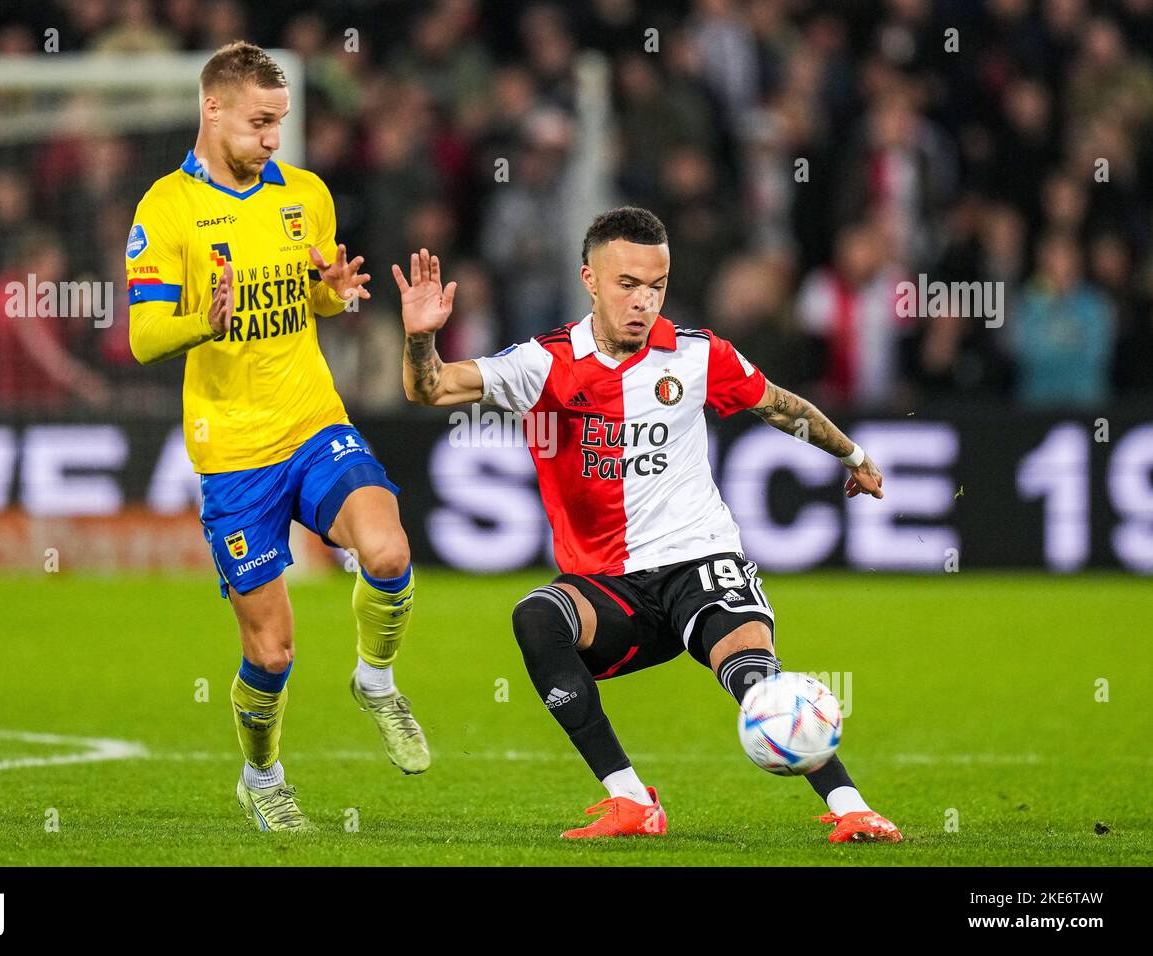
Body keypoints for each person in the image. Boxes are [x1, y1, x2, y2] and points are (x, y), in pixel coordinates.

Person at [398, 207, 901, 842]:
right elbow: (429, 389)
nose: (643, 301)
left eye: (656, 285)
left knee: (754, 681)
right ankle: (631, 800)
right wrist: (420, 339)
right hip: (613, 588)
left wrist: (852, 456)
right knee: (535, 617)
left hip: (700, 559)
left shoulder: (698, 356)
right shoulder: (543, 364)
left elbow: (778, 406)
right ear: (589, 278)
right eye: (627, 284)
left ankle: (851, 806)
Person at [127, 41, 428, 833]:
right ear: (213, 108)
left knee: (389, 553)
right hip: (232, 454)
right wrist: (206, 320)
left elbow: (315, 300)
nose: (273, 140)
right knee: (272, 655)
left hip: (312, 422)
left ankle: (375, 678)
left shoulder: (306, 195)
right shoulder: (166, 209)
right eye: (260, 123)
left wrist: (332, 295)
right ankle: (263, 778)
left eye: (282, 124)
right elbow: (143, 336)